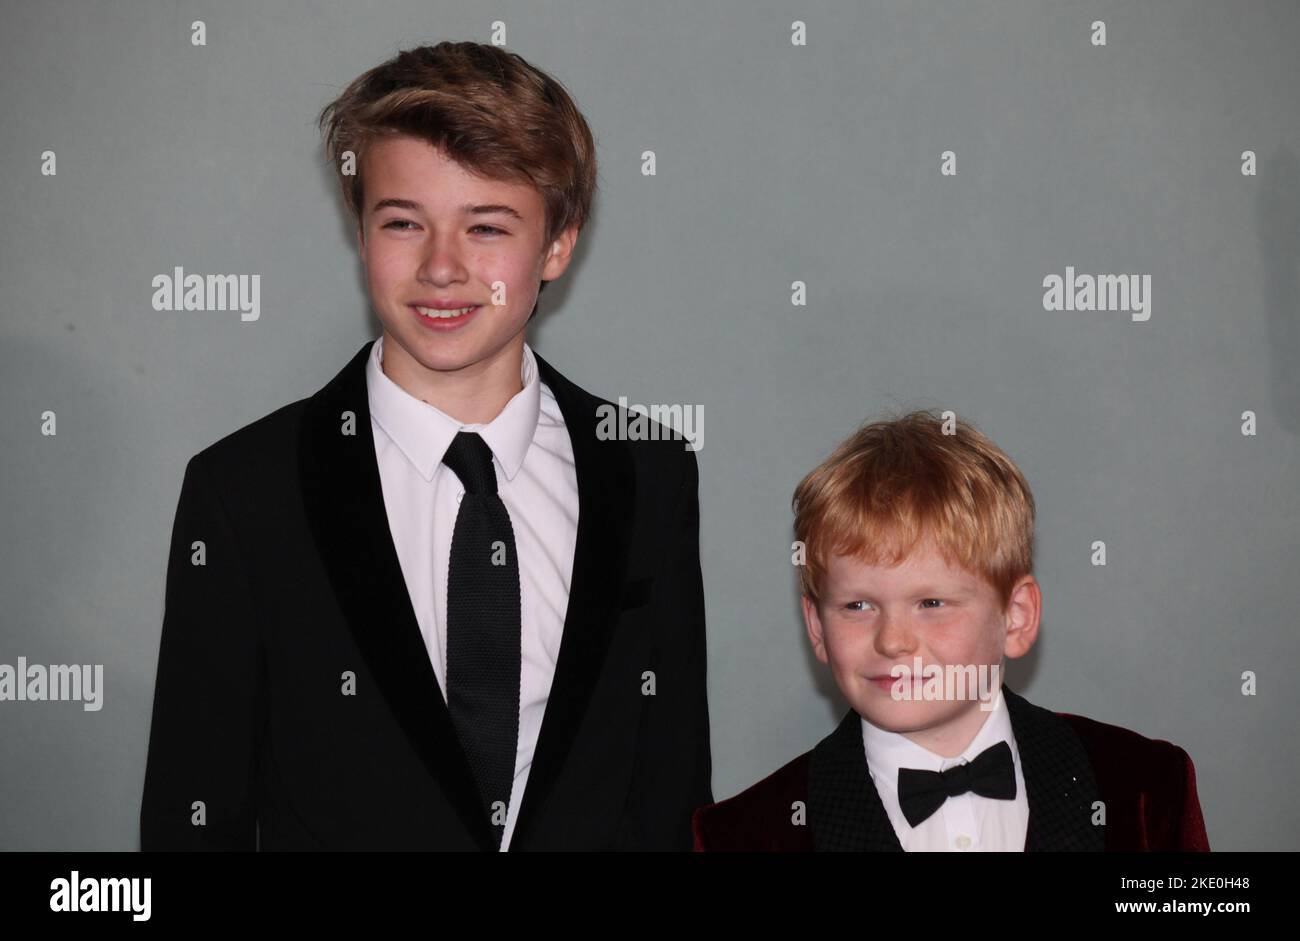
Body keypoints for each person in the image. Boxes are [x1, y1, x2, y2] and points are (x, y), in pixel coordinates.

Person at [141, 41, 711, 851]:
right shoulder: (244, 493)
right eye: (404, 222)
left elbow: (673, 791)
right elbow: (192, 818)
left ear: (557, 244)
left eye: (486, 227)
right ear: (361, 231)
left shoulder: (649, 472)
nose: (442, 268)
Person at [692, 410, 1208, 851]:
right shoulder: (741, 835)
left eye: (932, 602)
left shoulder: (1144, 786)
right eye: (858, 605)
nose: (893, 641)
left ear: (1017, 616)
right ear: (817, 627)